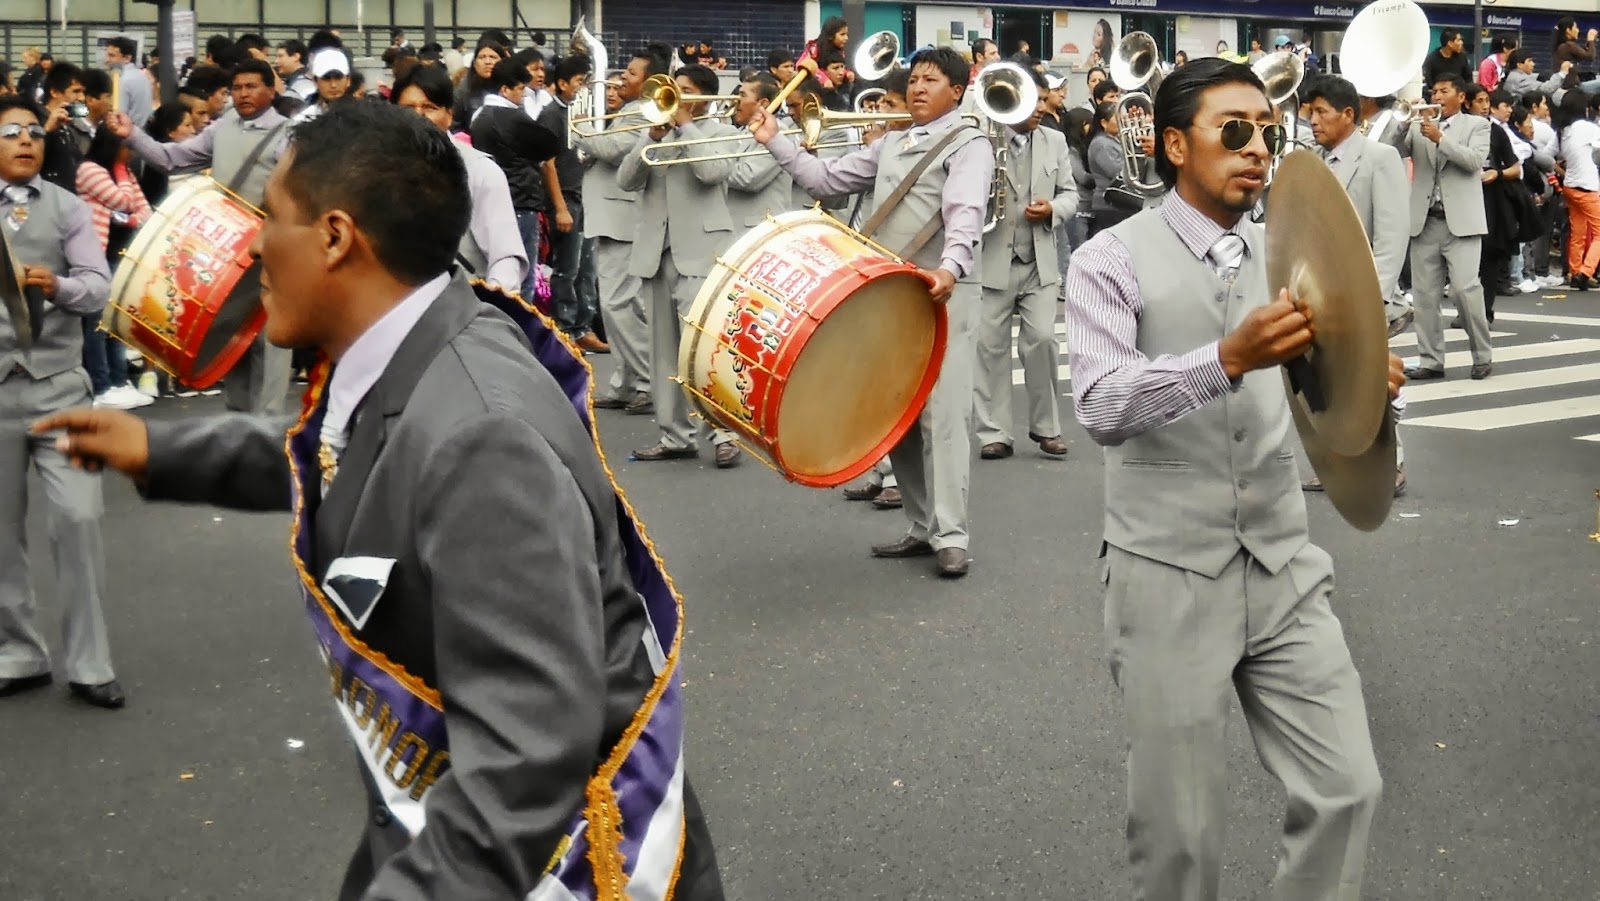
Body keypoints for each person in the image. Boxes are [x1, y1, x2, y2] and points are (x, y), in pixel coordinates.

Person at [33, 100, 727, 900]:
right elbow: (342, 456)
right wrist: (160, 448)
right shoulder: (419, 340)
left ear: (334, 237)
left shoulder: (483, 440)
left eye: (272, 217)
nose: (254, 241)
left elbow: (524, 763)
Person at [1065, 57, 1399, 900]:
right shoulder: (1108, 259)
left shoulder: (1290, 251)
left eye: (1269, 132)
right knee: (1180, 836)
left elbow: (1315, 389)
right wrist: (1226, 359)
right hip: (1167, 569)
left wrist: (1366, 375)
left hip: (1284, 563)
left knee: (1347, 786)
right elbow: (1102, 403)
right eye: (1234, 131)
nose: (1258, 150)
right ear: (1176, 144)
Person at [751, 47, 994, 578]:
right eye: (914, 80)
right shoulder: (892, 142)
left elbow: (965, 211)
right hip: (890, 294)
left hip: (942, 291)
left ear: (957, 90)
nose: (918, 87)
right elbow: (827, 182)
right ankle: (920, 524)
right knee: (898, 414)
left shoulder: (970, 141)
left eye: (932, 80)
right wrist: (776, 142)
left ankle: (952, 536)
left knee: (944, 419)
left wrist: (950, 269)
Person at [0, 94, 121, 709]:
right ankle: (16, 654)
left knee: (79, 519)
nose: (26, 141)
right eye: (11, 132)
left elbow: (99, 290)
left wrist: (61, 285)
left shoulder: (71, 207)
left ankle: (90, 662)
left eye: (33, 132)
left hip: (61, 387)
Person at [108, 58, 295, 412]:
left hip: (272, 251)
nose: (243, 94)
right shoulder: (220, 128)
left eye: (252, 86)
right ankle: (238, 418)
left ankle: (269, 422)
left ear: (271, 90)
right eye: (236, 88)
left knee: (271, 339)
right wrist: (132, 134)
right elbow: (169, 159)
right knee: (233, 333)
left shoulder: (289, 136)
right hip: (225, 253)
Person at [617, 63, 743, 469]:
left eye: (684, 90)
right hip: (657, 251)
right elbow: (625, 180)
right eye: (673, 90)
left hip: (701, 250)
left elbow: (712, 172)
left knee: (703, 350)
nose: (674, 97)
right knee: (663, 352)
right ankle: (673, 435)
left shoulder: (722, 133)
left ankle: (723, 433)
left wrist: (686, 127)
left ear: (703, 97)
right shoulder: (654, 130)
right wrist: (647, 140)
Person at [1300, 74, 1411, 495]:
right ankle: (1335, 465)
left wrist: (1372, 299)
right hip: (1318, 298)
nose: (1313, 121)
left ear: (1349, 114)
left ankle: (1392, 462)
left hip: (1364, 298)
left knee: (1371, 383)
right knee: (1326, 386)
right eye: (1310, 113)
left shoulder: (1380, 158)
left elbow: (1391, 236)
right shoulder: (1310, 161)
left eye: (1322, 113)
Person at [974, 68, 1075, 462]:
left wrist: (1053, 209)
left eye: (1042, 99)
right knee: (989, 348)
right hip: (991, 259)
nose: (1040, 109)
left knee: (1044, 341)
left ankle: (1046, 427)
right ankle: (994, 433)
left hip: (1039, 261)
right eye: (1032, 101)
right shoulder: (981, 140)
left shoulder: (1056, 140)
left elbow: (1070, 194)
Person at [391, 63, 527, 291]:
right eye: (408, 108)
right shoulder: (377, 167)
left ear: (449, 113)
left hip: (461, 308)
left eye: (429, 107)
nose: (418, 116)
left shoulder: (480, 171)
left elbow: (505, 258)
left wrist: (489, 302)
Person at [577, 57, 659, 416]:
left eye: (630, 74)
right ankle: (626, 383)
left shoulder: (643, 111)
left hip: (623, 218)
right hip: (612, 218)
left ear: (649, 82)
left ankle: (647, 382)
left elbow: (612, 150)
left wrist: (577, 126)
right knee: (615, 307)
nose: (620, 79)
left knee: (619, 304)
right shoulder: (629, 110)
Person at [1398, 74, 1494, 380]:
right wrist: (1401, 125)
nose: (1436, 96)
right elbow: (1391, 150)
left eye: (1444, 91)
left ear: (1461, 97)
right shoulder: (1417, 125)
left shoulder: (1477, 125)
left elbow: (1473, 161)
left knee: (1466, 290)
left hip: (1462, 224)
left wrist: (1441, 138)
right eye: (1434, 91)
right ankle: (1430, 360)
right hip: (1425, 221)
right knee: (1425, 296)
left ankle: (1482, 355)